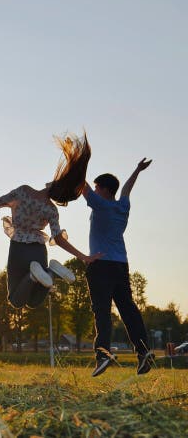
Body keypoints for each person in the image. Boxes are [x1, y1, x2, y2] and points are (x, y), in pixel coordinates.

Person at [0, 134, 101, 310]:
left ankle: (33, 275)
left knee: (16, 300)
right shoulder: (51, 210)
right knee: (34, 302)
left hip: (19, 249)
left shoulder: (23, 192)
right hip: (38, 251)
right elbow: (59, 239)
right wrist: (83, 256)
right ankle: (50, 272)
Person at [83, 158, 154, 377]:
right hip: (121, 265)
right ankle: (144, 352)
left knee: (101, 311)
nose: (94, 190)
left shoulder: (101, 204)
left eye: (97, 187)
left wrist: (75, 163)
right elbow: (126, 189)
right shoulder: (122, 206)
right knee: (128, 310)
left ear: (104, 190)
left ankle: (103, 355)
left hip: (100, 265)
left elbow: (81, 186)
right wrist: (137, 170)